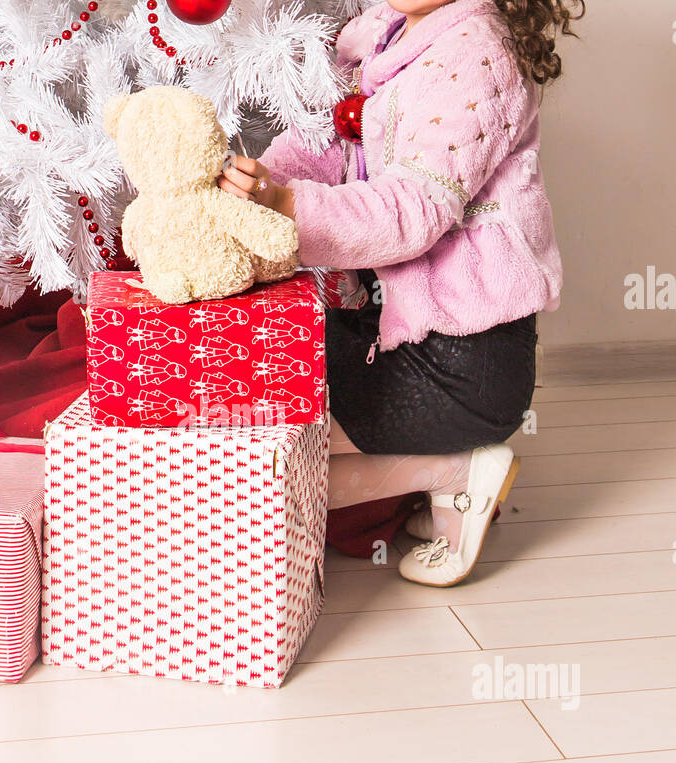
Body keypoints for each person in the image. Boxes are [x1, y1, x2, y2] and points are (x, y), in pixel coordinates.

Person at [220, 0, 583, 586]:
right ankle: (443, 473)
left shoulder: (474, 52)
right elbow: (333, 141)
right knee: (257, 401)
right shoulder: (384, 38)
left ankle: (455, 473)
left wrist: (286, 208)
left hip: (459, 365)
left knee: (264, 455)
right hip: (395, 331)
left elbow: (415, 210)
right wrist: (257, 183)